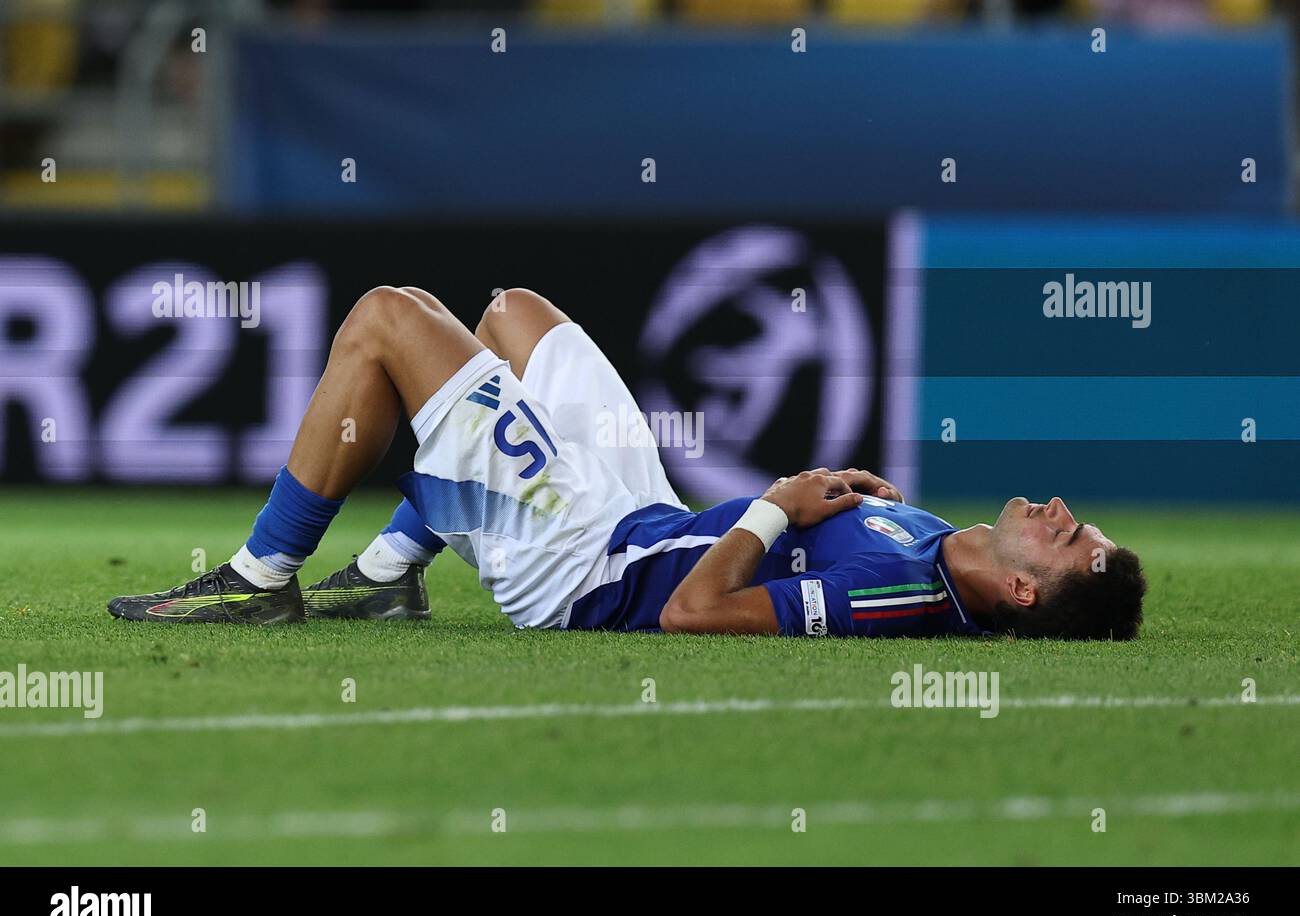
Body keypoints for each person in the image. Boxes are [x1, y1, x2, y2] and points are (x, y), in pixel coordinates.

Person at [108, 287, 1146, 639]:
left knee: (388, 319)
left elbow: (696, 614)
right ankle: (388, 578)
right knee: (511, 313)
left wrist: (780, 504)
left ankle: (259, 579)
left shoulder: (892, 597)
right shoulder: (934, 544)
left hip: (581, 559)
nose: (1058, 507)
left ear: (1021, 586)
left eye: (1066, 536)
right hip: (639, 507)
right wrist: (807, 501)